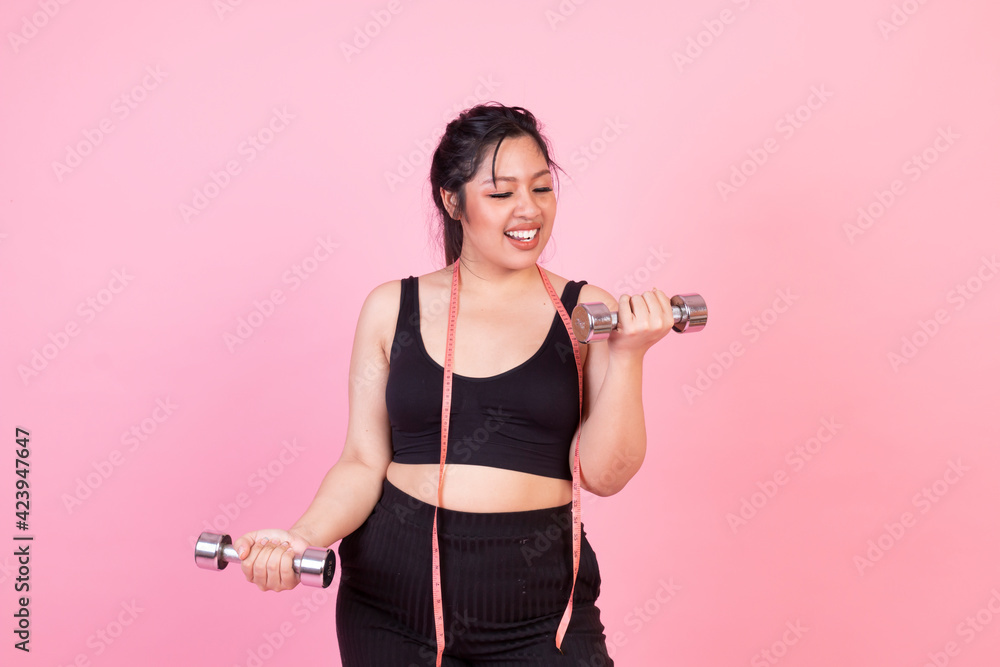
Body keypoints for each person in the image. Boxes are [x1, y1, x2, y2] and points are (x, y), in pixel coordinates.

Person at [234, 103, 674, 666]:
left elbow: (606, 476)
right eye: (500, 193)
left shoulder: (586, 311)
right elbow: (363, 462)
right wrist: (301, 537)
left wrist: (631, 354)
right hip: (393, 599)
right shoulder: (392, 308)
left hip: (539, 604)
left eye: (542, 189)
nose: (528, 210)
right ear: (452, 199)